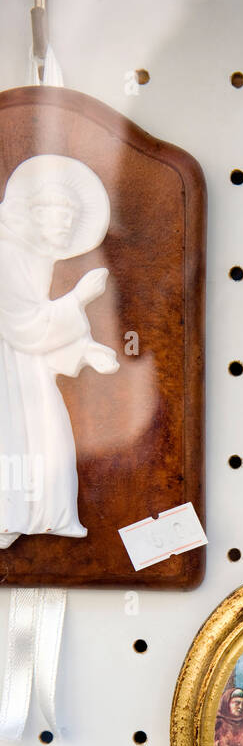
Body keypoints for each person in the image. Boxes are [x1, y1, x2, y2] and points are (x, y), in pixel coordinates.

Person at [0, 155, 119, 547]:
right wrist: (79, 298)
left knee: (45, 436)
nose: (69, 226)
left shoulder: (33, 256)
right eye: (62, 216)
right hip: (8, 369)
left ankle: (41, 515)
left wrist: (86, 351)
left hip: (24, 364)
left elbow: (34, 330)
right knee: (17, 438)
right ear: (36, 214)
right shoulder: (7, 252)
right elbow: (22, 325)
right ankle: (12, 515)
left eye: (72, 218)